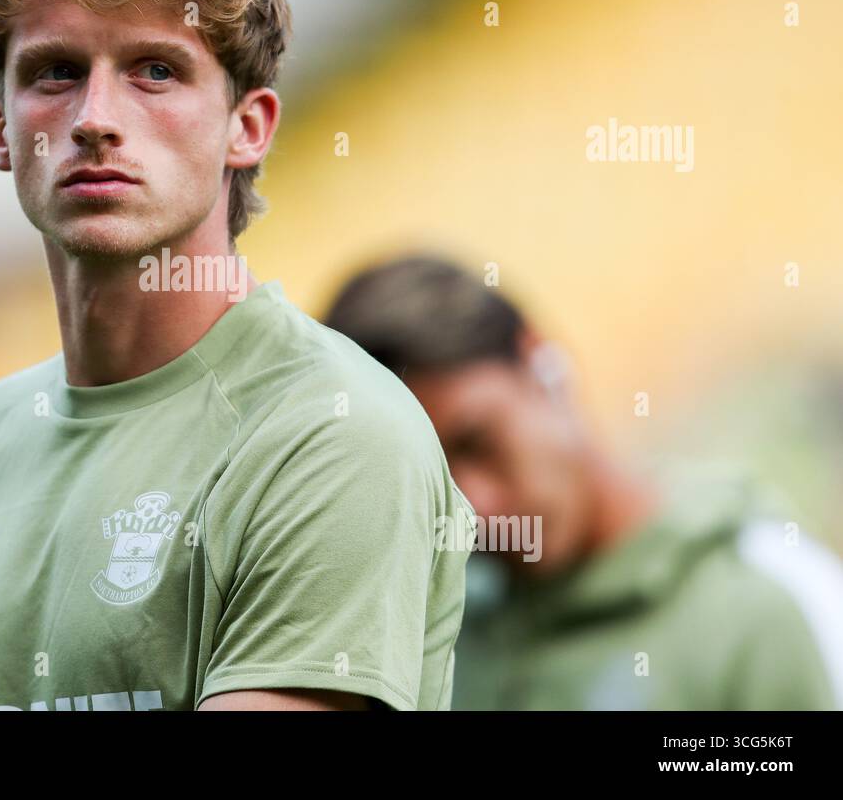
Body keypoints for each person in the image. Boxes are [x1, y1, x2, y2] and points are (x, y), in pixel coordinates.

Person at [0, 0, 474, 711]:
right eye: (57, 72)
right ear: (1, 130)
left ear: (247, 127)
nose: (97, 117)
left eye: (155, 71)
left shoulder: (331, 435)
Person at [324, 254, 843, 709]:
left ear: (538, 361)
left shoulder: (768, 609)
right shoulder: (423, 642)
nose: (475, 507)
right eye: (430, 483)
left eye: (477, 442)